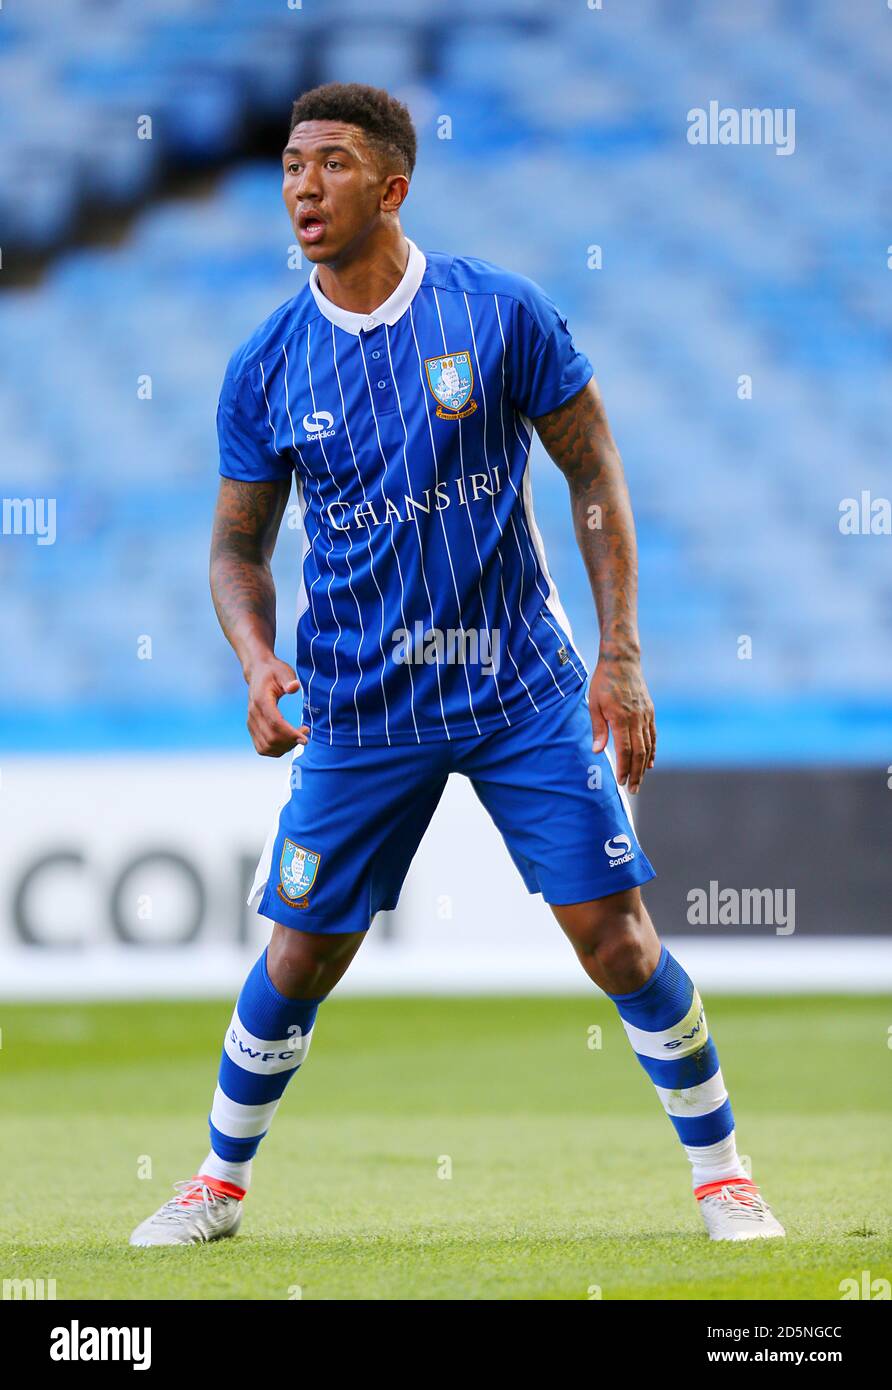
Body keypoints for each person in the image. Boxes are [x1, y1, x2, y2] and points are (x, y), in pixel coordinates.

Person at [130, 82, 783, 1247]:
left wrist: (620, 654)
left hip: (517, 685)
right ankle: (216, 1186)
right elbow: (236, 545)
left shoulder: (497, 314)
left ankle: (724, 1175)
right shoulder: (267, 365)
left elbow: (594, 474)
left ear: (391, 187)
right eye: (289, 165)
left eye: (328, 164)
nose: (300, 186)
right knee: (301, 950)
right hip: (363, 702)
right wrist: (253, 656)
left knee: (614, 935)